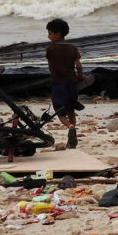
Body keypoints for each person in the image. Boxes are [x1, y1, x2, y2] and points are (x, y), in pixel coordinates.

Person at [45, 18, 84, 148]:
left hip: (58, 83)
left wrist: (54, 76)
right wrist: (80, 77)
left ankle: (69, 126)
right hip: (72, 83)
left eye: (50, 33)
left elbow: (51, 67)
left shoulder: (50, 49)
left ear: (58, 34)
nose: (48, 36)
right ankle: (71, 137)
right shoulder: (73, 48)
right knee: (71, 109)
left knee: (60, 111)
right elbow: (78, 65)